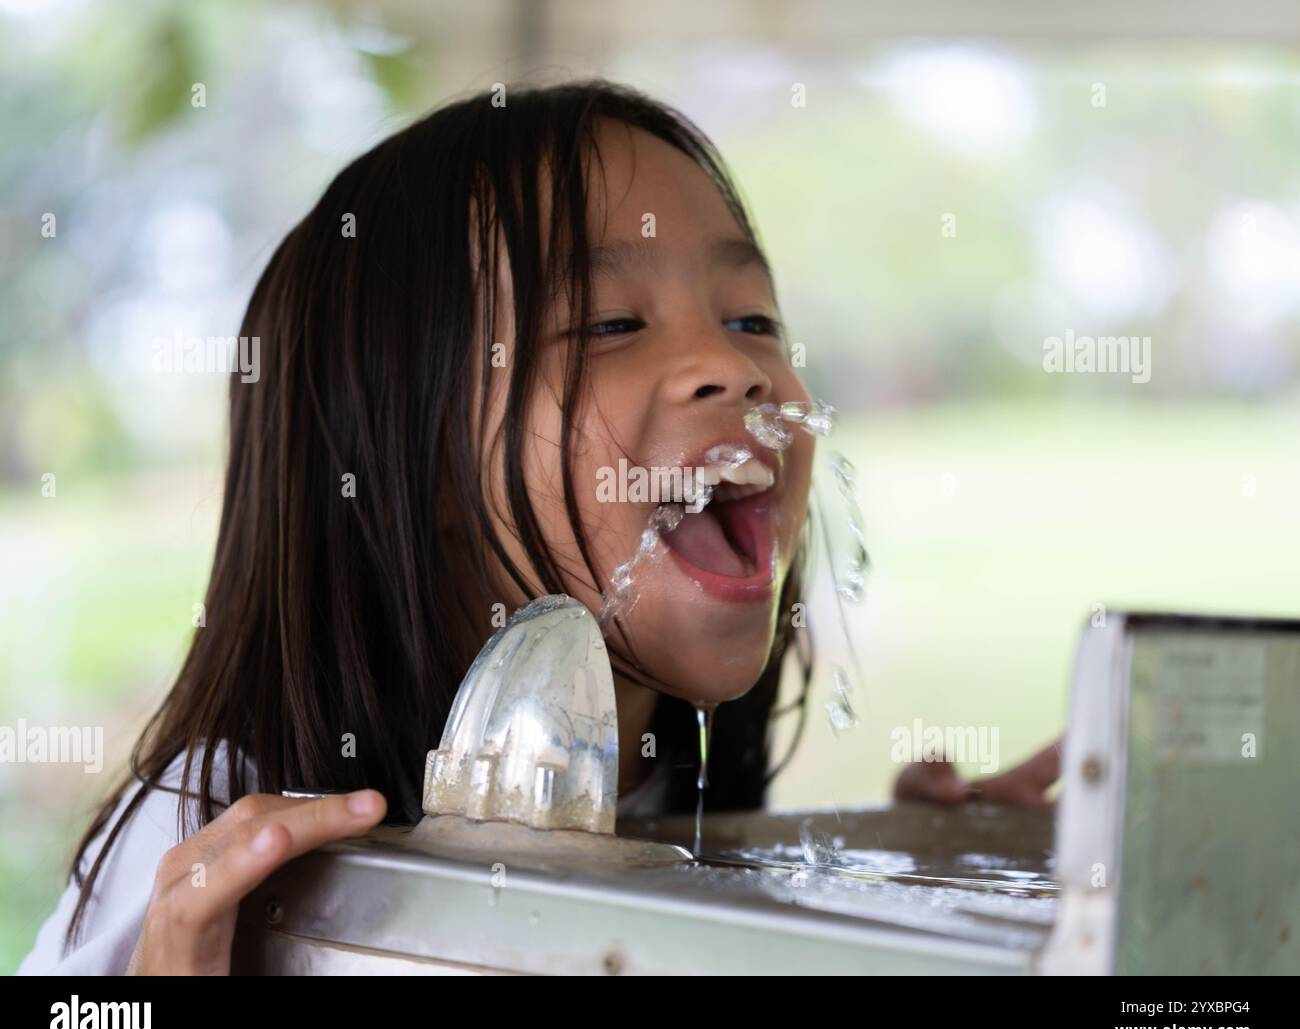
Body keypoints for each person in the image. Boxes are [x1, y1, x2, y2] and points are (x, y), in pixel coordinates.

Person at [20, 80, 1059, 975]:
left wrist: (947, 869)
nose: (740, 369)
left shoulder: (661, 813)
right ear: (401, 457)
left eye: (752, 320)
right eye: (610, 325)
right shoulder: (217, 832)